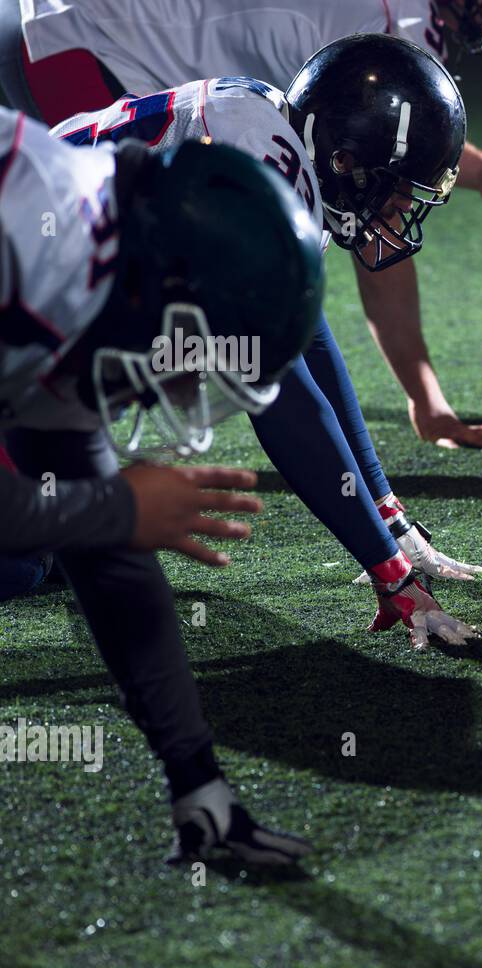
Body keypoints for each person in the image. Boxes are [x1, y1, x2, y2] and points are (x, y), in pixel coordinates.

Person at [52, 35, 482, 648]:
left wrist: (389, 517)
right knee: (29, 553)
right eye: (394, 195)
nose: (396, 217)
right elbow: (280, 393)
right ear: (345, 160)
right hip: (27, 294)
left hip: (56, 290)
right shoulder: (257, 168)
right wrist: (390, 574)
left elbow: (302, 337)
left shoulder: (271, 131)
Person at [2, 0, 482, 448]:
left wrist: (478, 173)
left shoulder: (388, 27)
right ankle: (54, 468)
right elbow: (377, 204)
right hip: (82, 41)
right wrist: (425, 396)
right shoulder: (389, 25)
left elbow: (373, 145)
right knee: (127, 278)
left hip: (77, 31)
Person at [1, 108, 323, 863]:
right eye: (191, 361)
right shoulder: (27, 242)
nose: (178, 392)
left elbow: (104, 545)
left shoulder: (91, 266)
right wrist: (118, 505)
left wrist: (197, 782)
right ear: (163, 285)